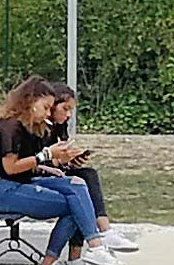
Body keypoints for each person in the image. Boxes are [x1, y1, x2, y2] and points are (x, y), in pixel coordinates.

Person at [0, 78, 115, 265]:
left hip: (20, 183)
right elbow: (10, 167)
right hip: (0, 190)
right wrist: (46, 155)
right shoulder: (9, 126)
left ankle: (93, 246)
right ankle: (58, 260)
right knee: (74, 206)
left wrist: (55, 163)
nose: (48, 113)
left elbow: (28, 164)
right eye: (45, 107)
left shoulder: (29, 127)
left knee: (77, 184)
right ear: (30, 101)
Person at [47, 91, 134, 252]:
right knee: (79, 193)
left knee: (87, 176)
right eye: (65, 109)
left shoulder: (58, 127)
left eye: (70, 111)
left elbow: (51, 161)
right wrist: (58, 161)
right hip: (34, 177)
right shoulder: (37, 126)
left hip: (49, 172)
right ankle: (100, 235)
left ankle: (90, 242)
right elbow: (35, 161)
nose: (68, 115)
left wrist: (69, 163)